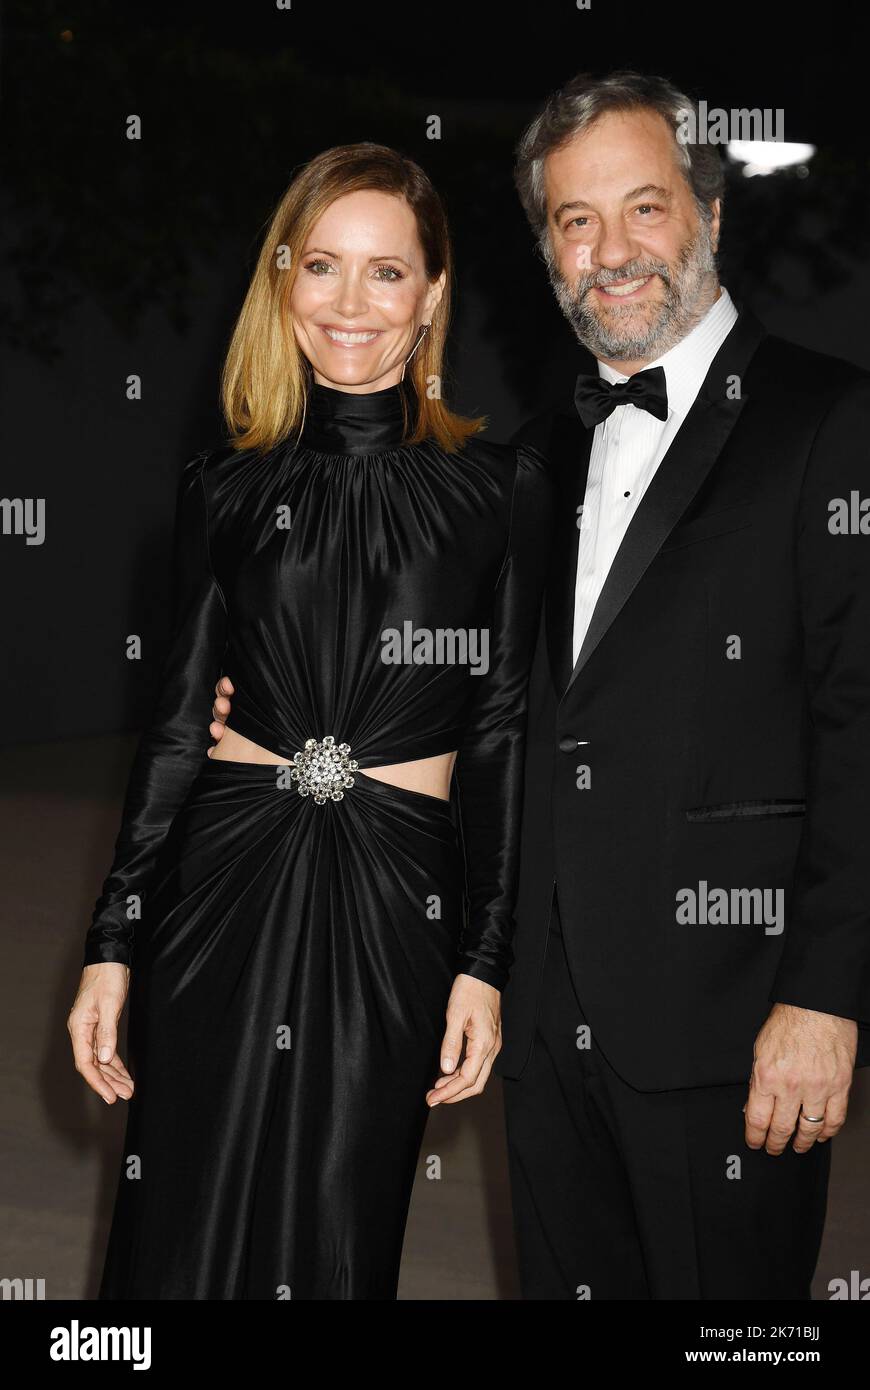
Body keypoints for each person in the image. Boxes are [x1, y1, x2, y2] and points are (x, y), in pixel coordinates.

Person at [67, 142, 553, 1300]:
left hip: (395, 897)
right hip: (221, 881)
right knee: (181, 1222)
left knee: (338, 1223)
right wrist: (112, 940)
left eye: (386, 273)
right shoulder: (221, 490)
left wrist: (485, 958)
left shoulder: (504, 492)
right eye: (321, 266)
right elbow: (180, 731)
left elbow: (500, 731)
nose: (349, 304)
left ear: (433, 296)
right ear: (281, 282)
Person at [496, 69, 870, 1299]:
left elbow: (859, 724)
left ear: (711, 212)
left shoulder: (832, 421)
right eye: (575, 220)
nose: (611, 252)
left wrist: (825, 999)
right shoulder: (537, 452)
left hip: (736, 1022)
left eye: (643, 207)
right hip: (547, 1021)